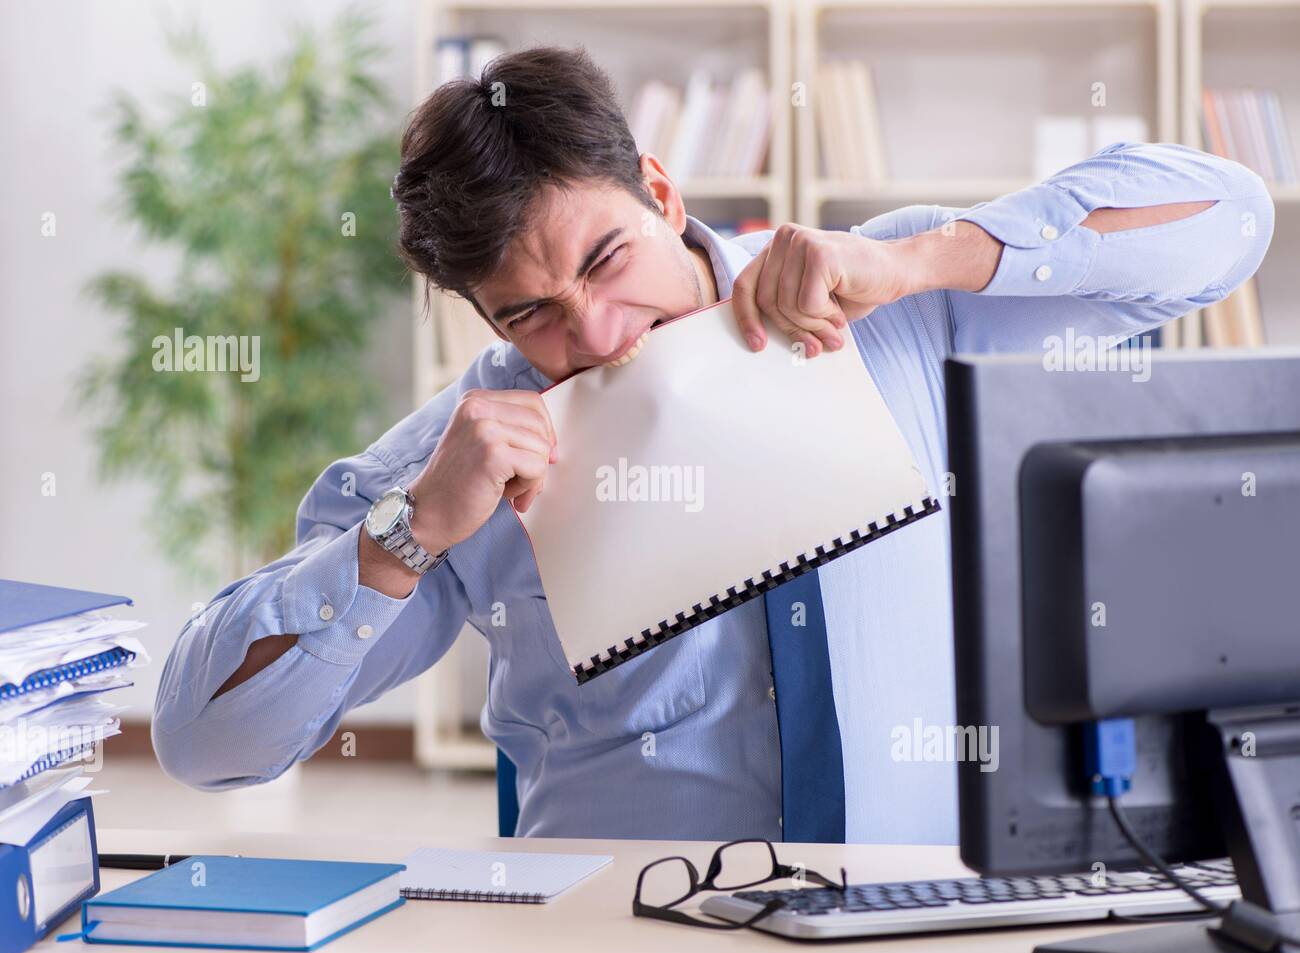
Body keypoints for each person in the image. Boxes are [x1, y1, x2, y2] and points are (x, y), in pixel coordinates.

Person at [153, 46, 1273, 842]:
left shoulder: (893, 291)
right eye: (524, 313)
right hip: (631, 939)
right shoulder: (462, 453)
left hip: (927, 913)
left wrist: (935, 258)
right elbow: (205, 744)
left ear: (657, 188)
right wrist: (404, 539)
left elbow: (1230, 223)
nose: (591, 334)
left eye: (600, 262)